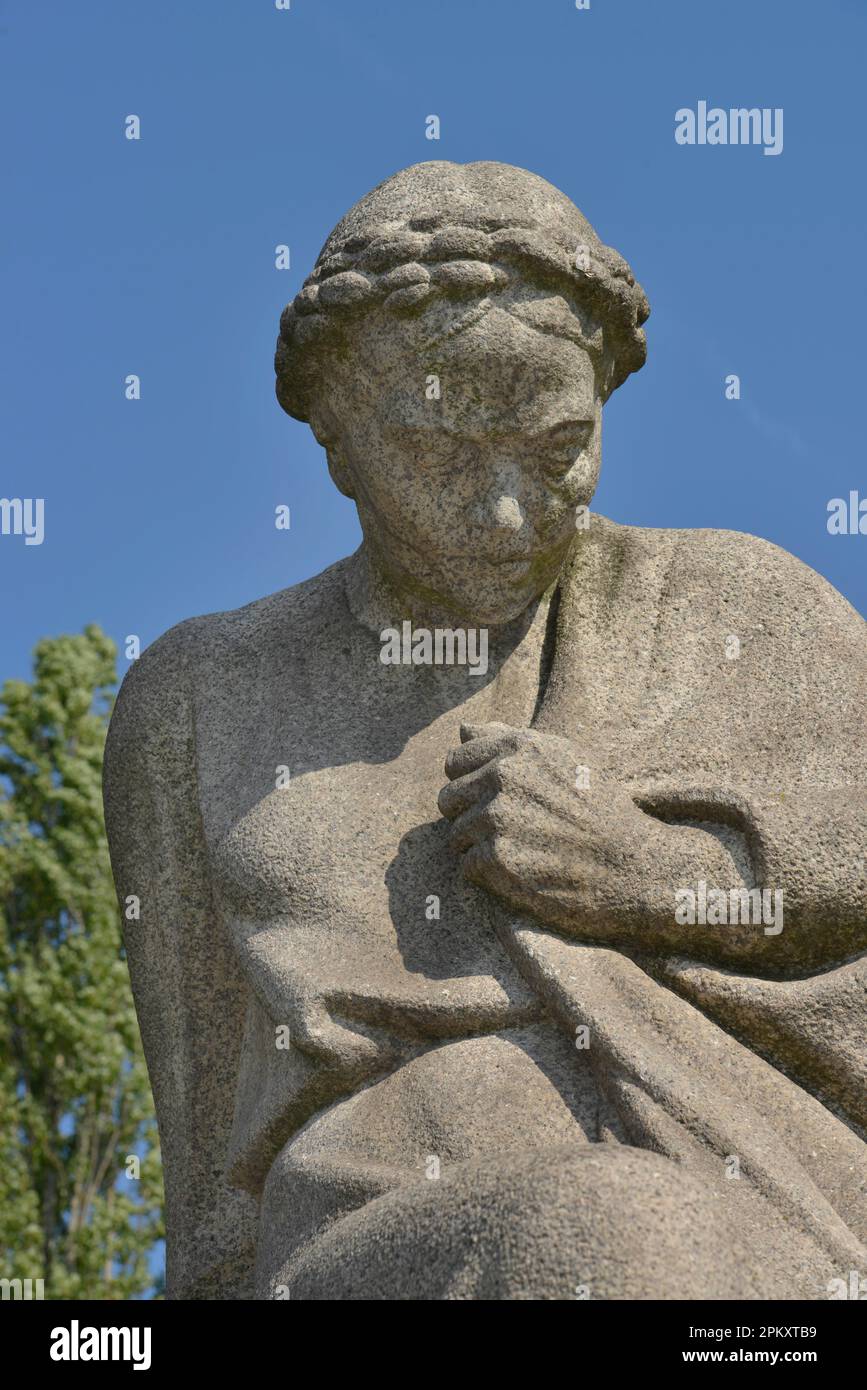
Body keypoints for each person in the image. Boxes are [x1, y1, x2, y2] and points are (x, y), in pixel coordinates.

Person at [104, 161, 867, 1300]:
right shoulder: (201, 699)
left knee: (640, 1236)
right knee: (613, 1228)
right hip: (365, 1242)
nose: (508, 512)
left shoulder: (741, 614)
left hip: (763, 1206)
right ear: (336, 436)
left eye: (559, 447)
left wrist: (658, 874)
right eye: (440, 455)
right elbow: (209, 1173)